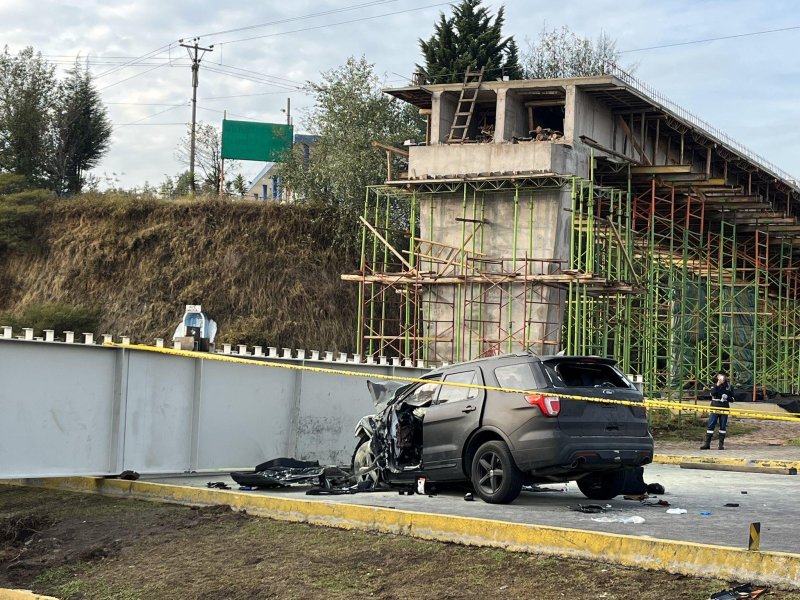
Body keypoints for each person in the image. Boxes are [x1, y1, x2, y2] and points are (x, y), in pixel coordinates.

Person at [700, 370, 734, 450]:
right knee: (711, 425)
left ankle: (721, 445)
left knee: (723, 426)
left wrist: (727, 397)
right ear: (717, 377)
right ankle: (707, 444)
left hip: (724, 407)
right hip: (715, 407)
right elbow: (712, 393)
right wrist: (718, 385)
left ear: (725, 377)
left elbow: (732, 398)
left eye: (723, 376)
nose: (722, 378)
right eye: (720, 376)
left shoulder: (729, 386)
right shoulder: (714, 385)